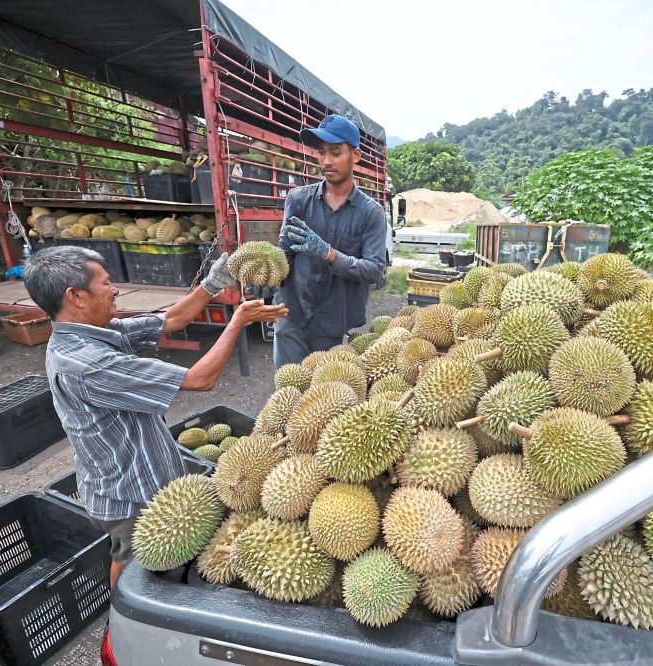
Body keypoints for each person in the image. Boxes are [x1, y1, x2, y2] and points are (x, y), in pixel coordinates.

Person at [22, 246, 287, 585]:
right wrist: (237, 322)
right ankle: (123, 612)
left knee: (144, 563)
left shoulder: (95, 333)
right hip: (127, 496)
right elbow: (200, 379)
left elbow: (172, 320)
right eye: (106, 283)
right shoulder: (85, 364)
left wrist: (211, 283)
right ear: (76, 297)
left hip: (140, 477)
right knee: (133, 569)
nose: (115, 290)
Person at [273, 114, 389, 366]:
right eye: (321, 152)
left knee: (323, 387)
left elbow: (374, 271)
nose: (326, 161)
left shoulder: (371, 213)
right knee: (287, 385)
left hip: (333, 320)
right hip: (291, 312)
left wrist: (328, 253)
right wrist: (267, 270)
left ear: (355, 156)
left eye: (335, 153)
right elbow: (285, 253)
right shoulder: (298, 200)